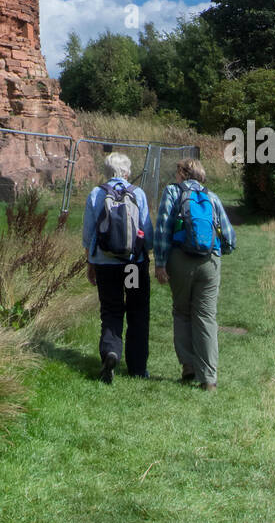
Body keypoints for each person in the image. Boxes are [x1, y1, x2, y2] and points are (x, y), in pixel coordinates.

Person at [153, 159, 236, 392]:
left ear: (181, 173)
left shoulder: (172, 191)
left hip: (180, 259)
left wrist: (160, 263)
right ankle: (209, 378)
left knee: (182, 312)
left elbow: (162, 229)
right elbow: (230, 237)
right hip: (210, 261)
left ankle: (188, 366)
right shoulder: (213, 197)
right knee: (206, 317)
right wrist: (219, 252)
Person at [82, 152, 153, 383]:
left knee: (111, 310)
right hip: (133, 265)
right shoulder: (138, 194)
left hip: (106, 264)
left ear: (107, 171)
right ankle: (137, 367)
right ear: (127, 172)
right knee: (137, 311)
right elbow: (146, 231)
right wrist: (147, 254)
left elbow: (88, 234)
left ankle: (111, 352)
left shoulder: (97, 193)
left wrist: (90, 263)